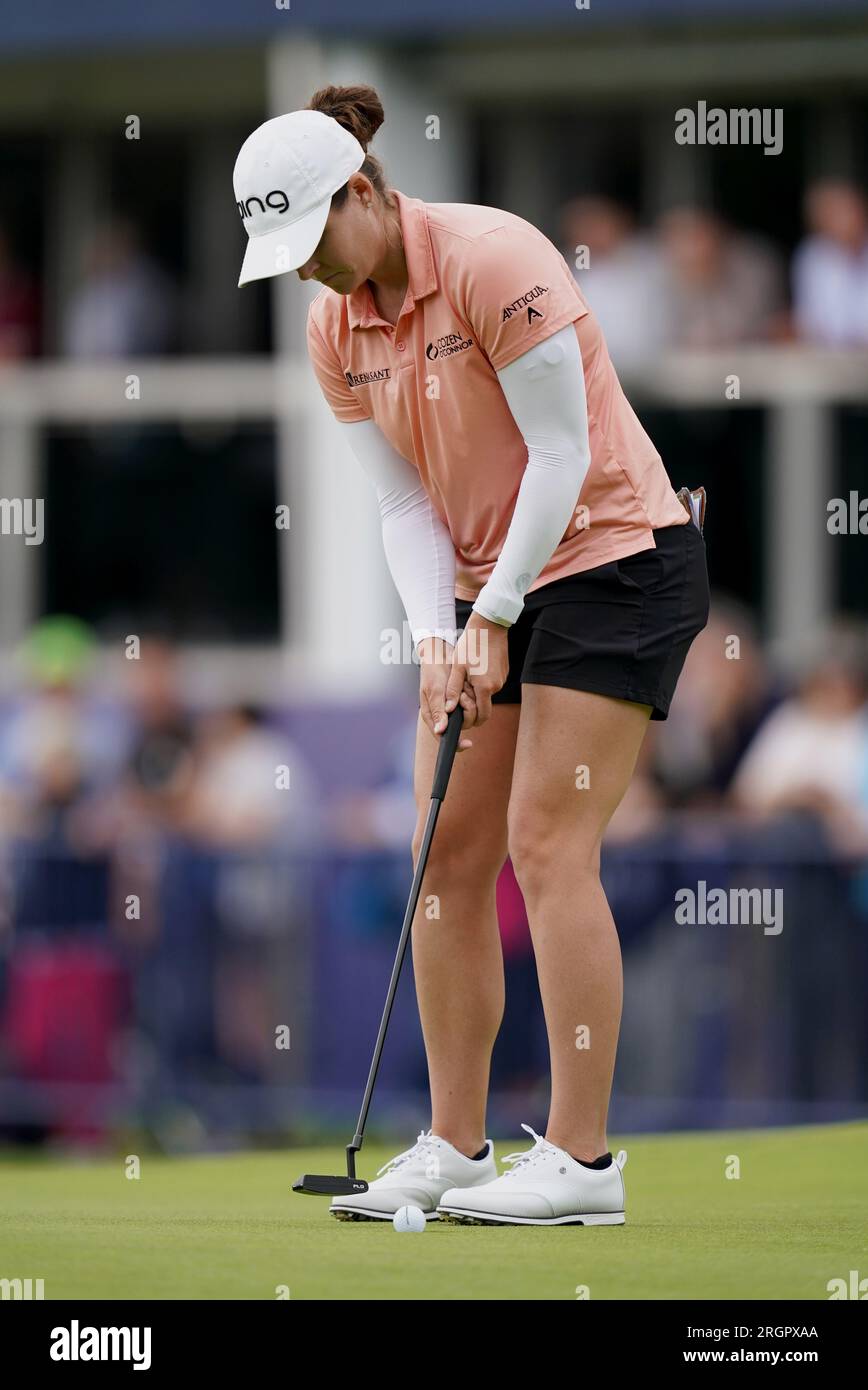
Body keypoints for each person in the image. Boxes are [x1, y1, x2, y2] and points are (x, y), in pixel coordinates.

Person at [233, 84, 710, 1226]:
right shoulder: (332, 324)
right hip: (483, 581)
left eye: (312, 240)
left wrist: (489, 613)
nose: (306, 271)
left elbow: (560, 452)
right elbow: (403, 505)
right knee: (442, 852)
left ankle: (584, 1165)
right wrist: (441, 636)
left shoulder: (496, 256)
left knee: (546, 842)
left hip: (612, 558)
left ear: (363, 191)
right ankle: (453, 1143)